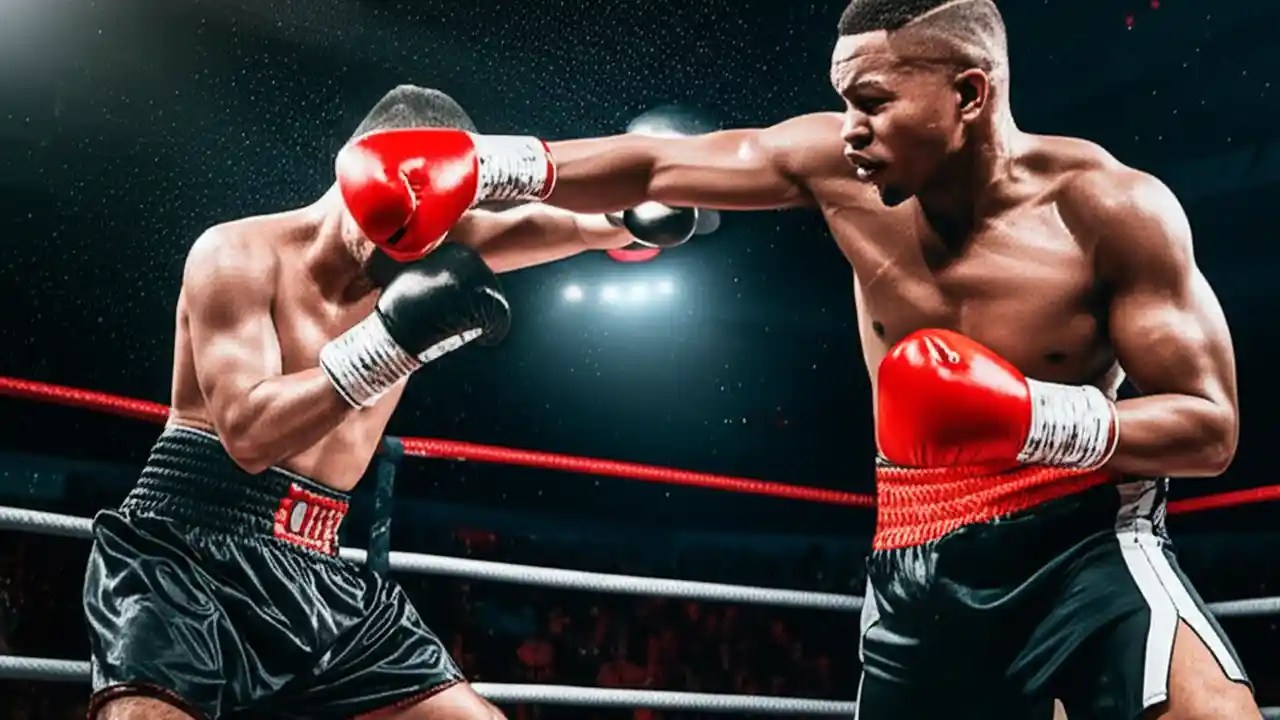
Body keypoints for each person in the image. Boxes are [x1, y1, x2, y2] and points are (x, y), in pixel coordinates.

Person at [410, 1, 1253, 718]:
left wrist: (1028, 416)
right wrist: (486, 167)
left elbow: (1210, 429)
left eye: (874, 103)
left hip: (1084, 542)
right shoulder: (833, 168)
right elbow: (657, 164)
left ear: (969, 94)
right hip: (919, 553)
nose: (850, 129)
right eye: (844, 101)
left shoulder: (1108, 208)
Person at [82, 85, 677, 720]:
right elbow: (248, 435)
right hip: (187, 558)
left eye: (441, 221)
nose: (414, 241)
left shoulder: (440, 242)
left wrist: (639, 213)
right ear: (359, 169)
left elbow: (574, 224)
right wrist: (390, 344)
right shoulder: (236, 253)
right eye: (403, 211)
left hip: (319, 569)